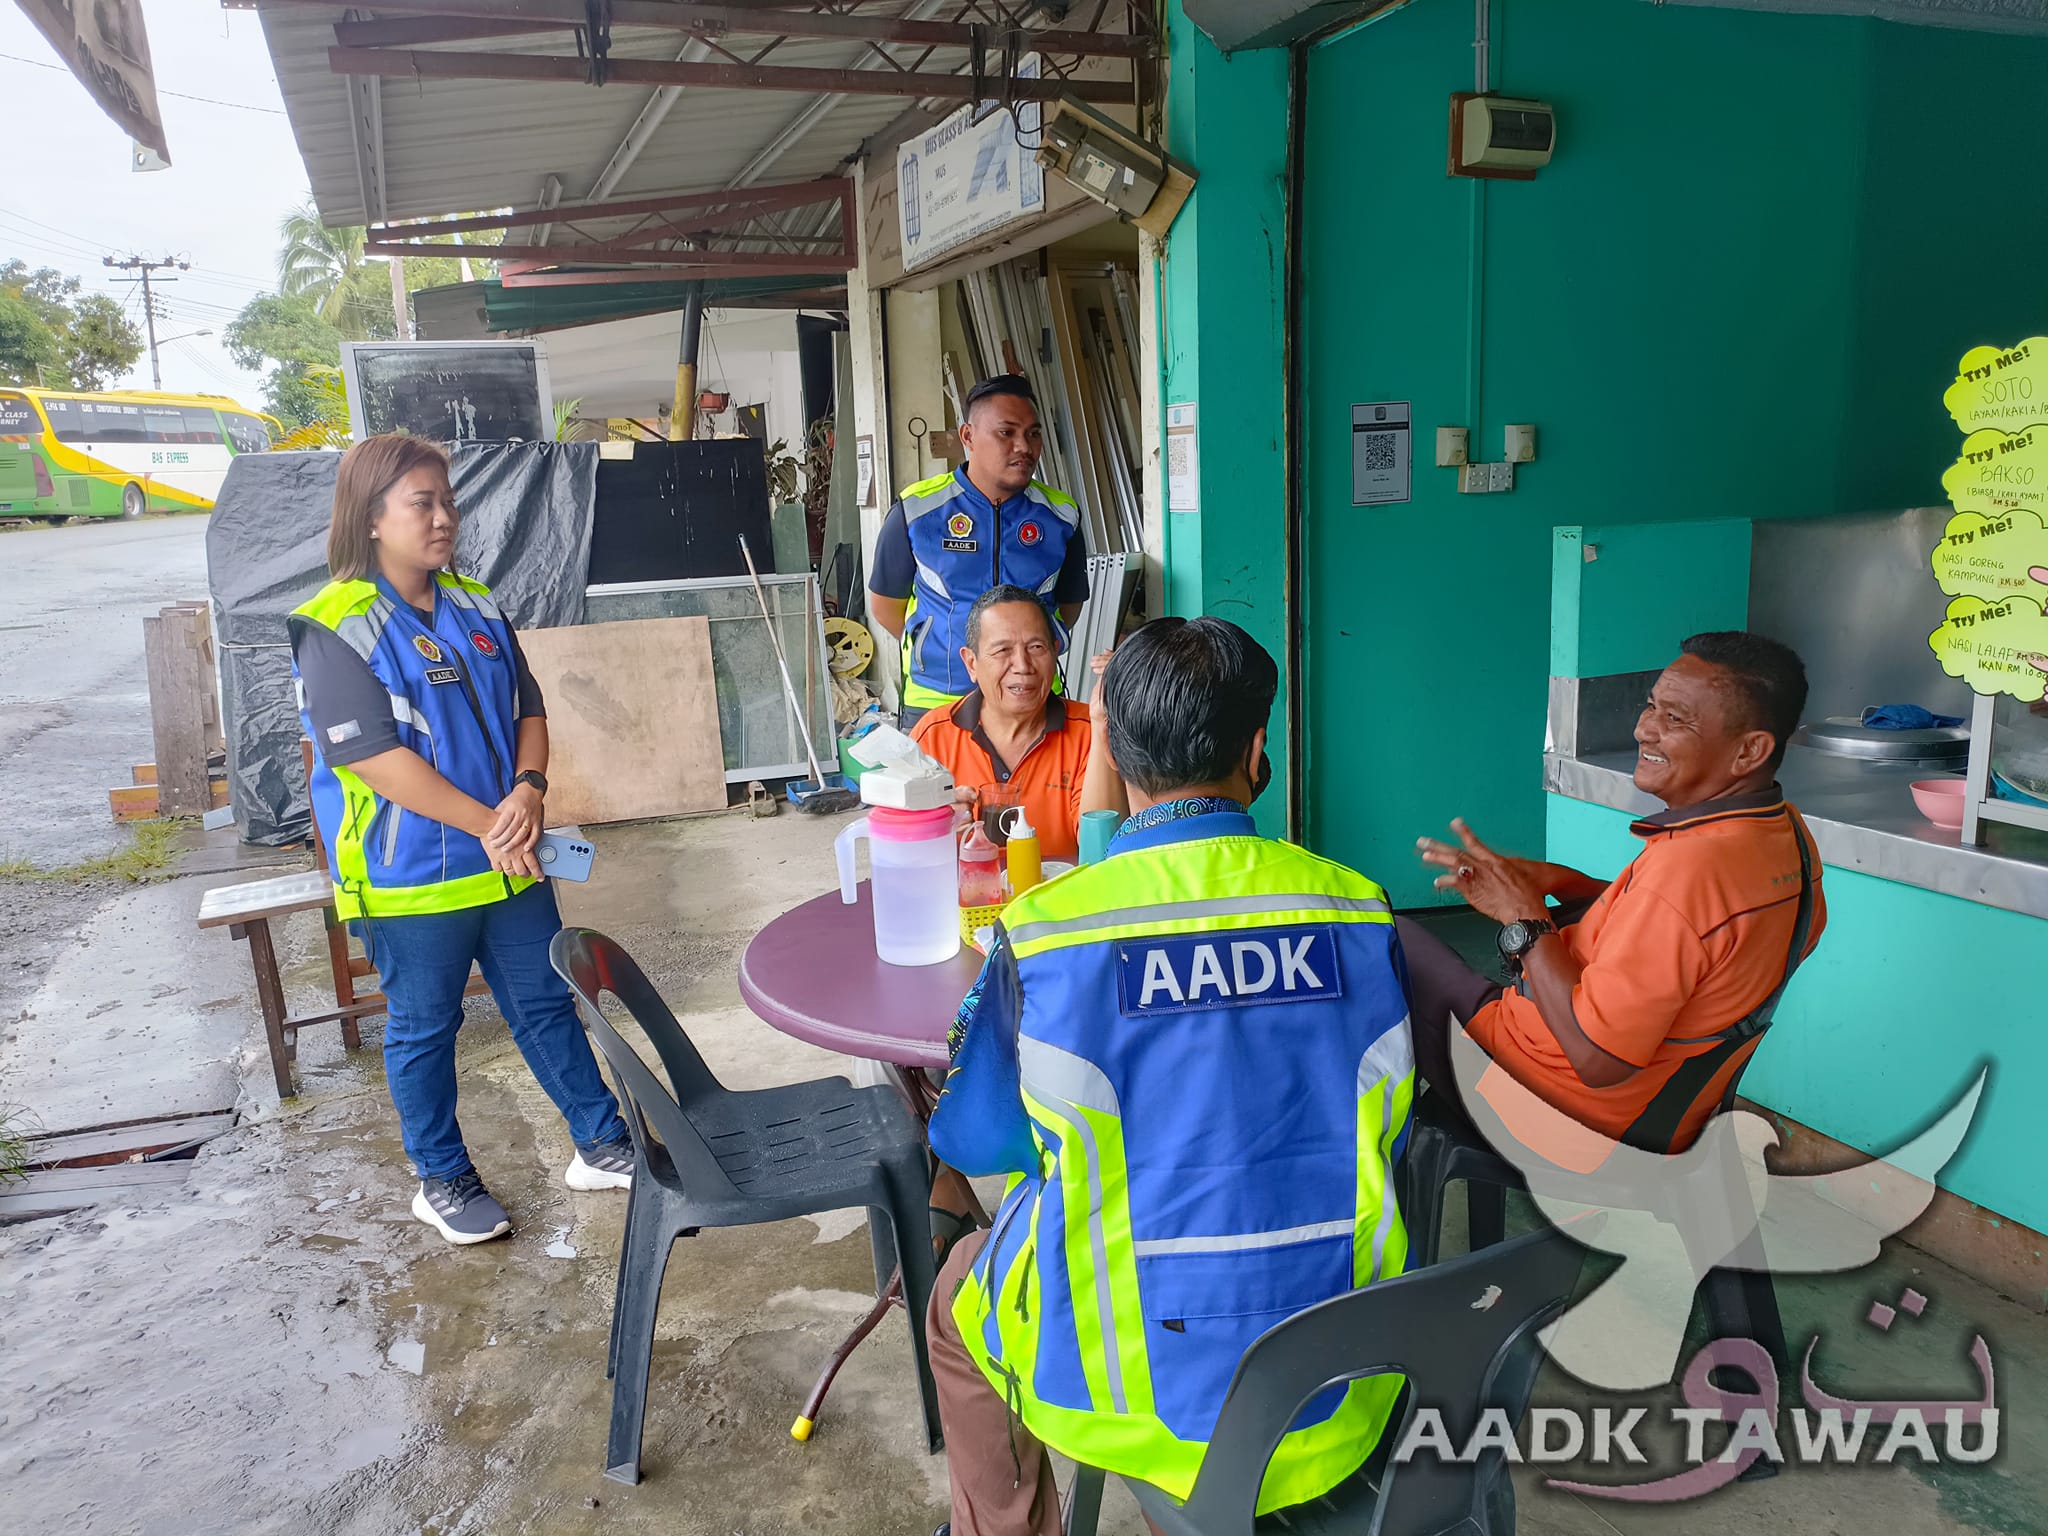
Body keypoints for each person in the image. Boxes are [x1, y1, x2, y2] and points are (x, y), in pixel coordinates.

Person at [924, 617, 1415, 1536]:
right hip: (1340, 1383)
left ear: (1108, 746)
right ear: (1257, 749)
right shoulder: (1359, 909)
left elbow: (974, 1140)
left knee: (958, 1296)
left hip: (1124, 1395)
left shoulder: (1046, 930)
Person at [288, 434, 636, 1246]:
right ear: (371, 518)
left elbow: (531, 710)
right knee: (423, 1026)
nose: (444, 517)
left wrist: (529, 789)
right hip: (412, 876)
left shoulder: (477, 604)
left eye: (449, 501)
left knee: (549, 1003)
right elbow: (373, 759)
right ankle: (441, 1179)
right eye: (422, 503)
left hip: (509, 862)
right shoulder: (334, 624)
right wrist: (492, 823)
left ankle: (601, 1142)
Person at [1399, 631, 1828, 1154]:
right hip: (1666, 1110)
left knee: (1371, 936)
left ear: (1749, 751)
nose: (1644, 729)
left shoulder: (1691, 870)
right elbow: (1687, 936)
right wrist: (1563, 883)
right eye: (1652, 706)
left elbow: (1596, 1061)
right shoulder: (1784, 833)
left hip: (1564, 1113)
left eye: (1675, 719)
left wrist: (1523, 917)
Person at [867, 374, 1090, 731]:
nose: (1024, 446)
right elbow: (884, 605)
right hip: (938, 701)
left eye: (1033, 434)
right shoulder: (917, 512)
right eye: (1007, 433)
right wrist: (936, 644)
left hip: (1031, 698)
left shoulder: (1061, 516)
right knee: (939, 791)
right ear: (968, 437)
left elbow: (1068, 606)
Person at [910, 584, 1127, 862]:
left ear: (1055, 650)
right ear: (971, 663)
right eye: (1002, 651)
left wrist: (1103, 723)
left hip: (1063, 900)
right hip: (967, 898)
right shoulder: (933, 737)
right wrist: (936, 830)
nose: (1023, 665)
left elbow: (1103, 852)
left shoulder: (1091, 730)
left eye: (1036, 647)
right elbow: (901, 850)